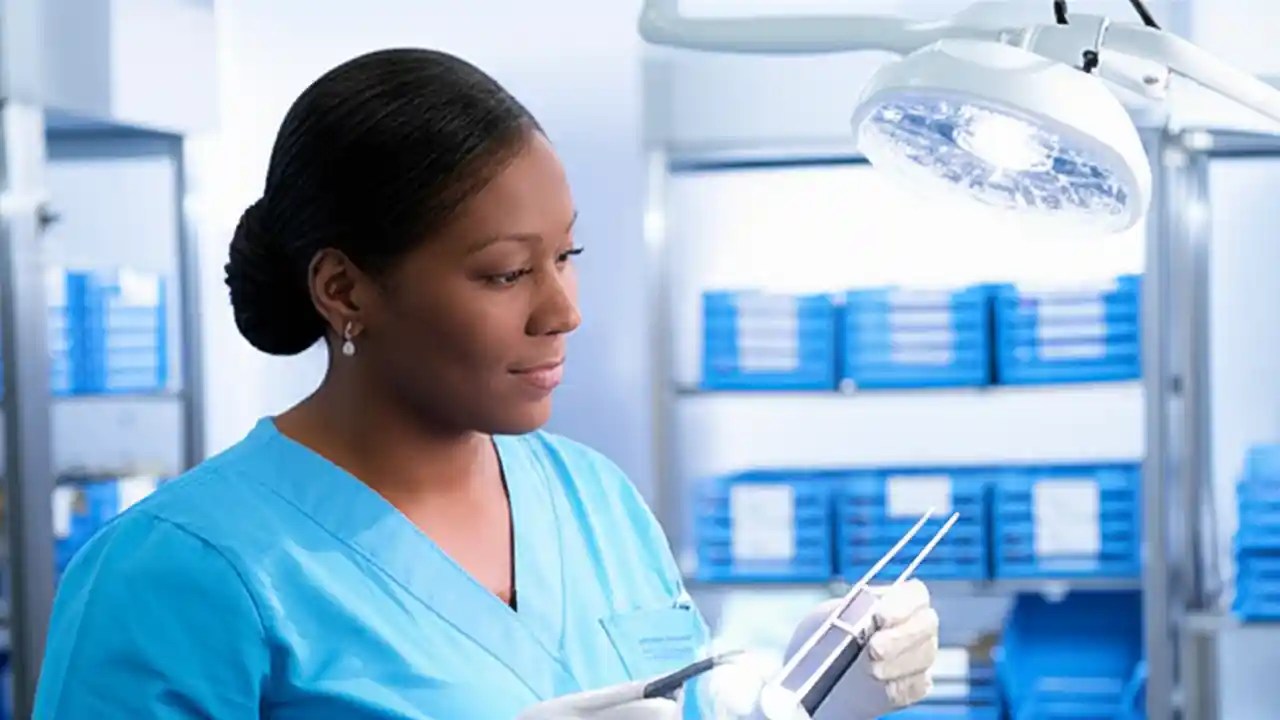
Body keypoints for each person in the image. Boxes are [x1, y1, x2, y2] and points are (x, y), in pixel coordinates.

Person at [33, 48, 939, 719]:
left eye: (567, 256)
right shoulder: (176, 571)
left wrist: (804, 698)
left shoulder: (596, 501)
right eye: (506, 274)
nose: (563, 311)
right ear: (344, 288)